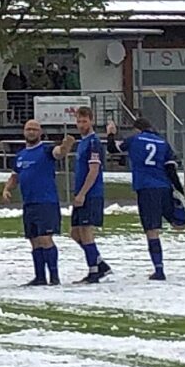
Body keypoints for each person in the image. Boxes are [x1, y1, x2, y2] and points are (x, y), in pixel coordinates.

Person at [1, 119, 78, 286]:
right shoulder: (21, 155)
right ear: (24, 132)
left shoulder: (45, 150)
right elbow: (15, 176)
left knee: (45, 238)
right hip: (29, 203)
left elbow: (59, 152)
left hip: (46, 202)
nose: (31, 132)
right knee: (34, 240)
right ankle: (39, 277)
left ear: (40, 132)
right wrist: (7, 189)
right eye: (28, 129)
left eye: (35, 129)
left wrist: (66, 146)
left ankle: (54, 276)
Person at [125, 117, 185, 280]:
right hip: (164, 186)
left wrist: (110, 134)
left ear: (137, 129)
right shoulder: (162, 142)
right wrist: (180, 190)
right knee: (176, 224)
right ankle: (178, 218)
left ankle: (159, 269)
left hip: (146, 188)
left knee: (152, 230)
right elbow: (171, 168)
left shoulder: (134, 139)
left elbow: (112, 148)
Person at [67, 107, 112, 283]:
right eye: (78, 121)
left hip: (91, 193)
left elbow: (93, 170)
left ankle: (93, 271)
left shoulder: (94, 142)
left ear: (91, 121)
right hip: (81, 192)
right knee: (75, 232)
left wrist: (83, 193)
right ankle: (100, 263)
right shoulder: (82, 142)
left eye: (84, 121)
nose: (81, 125)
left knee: (85, 230)